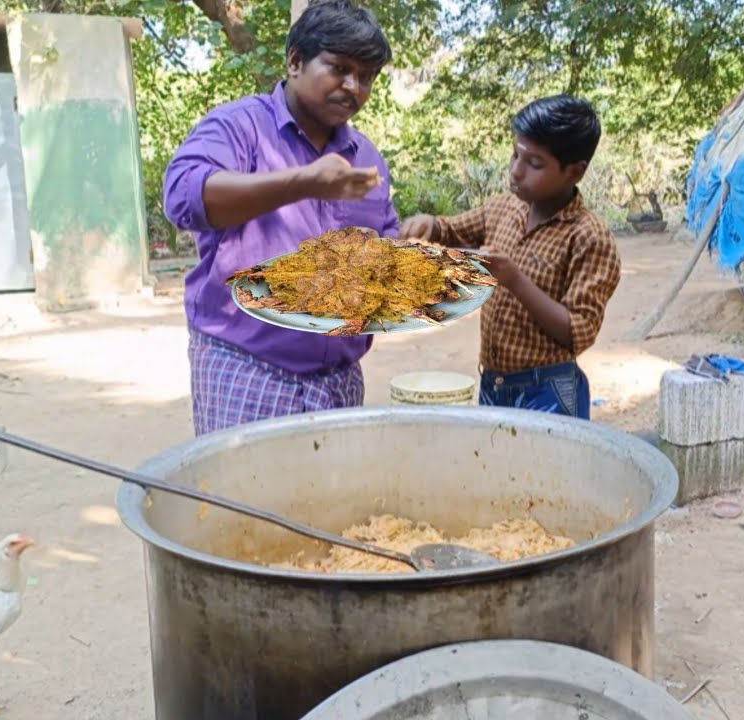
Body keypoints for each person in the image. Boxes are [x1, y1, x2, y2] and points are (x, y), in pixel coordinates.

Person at [163, 0, 398, 435]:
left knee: (331, 501)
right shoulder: (238, 127)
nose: (353, 86)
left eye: (366, 77)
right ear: (295, 61)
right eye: (339, 68)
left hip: (339, 381)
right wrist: (303, 183)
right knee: (245, 501)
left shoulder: (365, 156)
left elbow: (385, 246)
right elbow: (184, 198)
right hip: (246, 368)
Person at [401, 95, 621, 420]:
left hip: (549, 389)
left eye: (534, 163)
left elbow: (578, 332)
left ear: (575, 172)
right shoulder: (503, 208)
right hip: (494, 384)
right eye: (515, 154)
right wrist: (430, 225)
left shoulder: (589, 237)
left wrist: (514, 280)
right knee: (500, 469)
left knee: (546, 471)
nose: (516, 171)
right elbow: (452, 230)